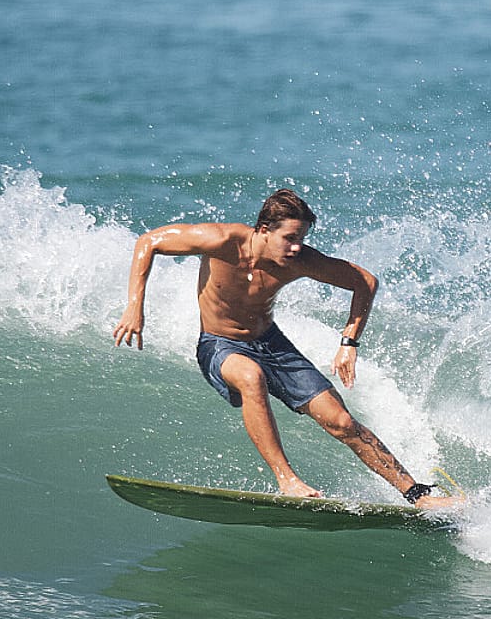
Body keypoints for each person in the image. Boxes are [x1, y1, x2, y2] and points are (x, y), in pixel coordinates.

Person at [112, 189, 457, 509]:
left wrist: (349, 342)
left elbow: (364, 282)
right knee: (250, 376)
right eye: (290, 238)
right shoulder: (221, 240)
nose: (296, 247)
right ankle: (286, 479)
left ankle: (416, 494)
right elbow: (149, 241)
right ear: (263, 229)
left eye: (301, 239)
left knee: (341, 421)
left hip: (272, 344)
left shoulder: (299, 261)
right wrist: (134, 307)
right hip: (220, 344)